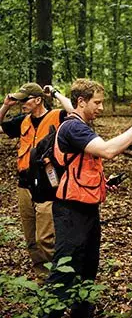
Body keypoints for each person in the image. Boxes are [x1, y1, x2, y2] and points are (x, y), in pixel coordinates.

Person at [35, 78, 132, 318]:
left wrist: (102, 183)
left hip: (88, 208)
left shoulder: (77, 120)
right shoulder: (74, 128)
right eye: (97, 102)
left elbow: (86, 161)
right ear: (82, 102)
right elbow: (108, 151)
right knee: (65, 269)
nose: (101, 107)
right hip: (70, 211)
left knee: (88, 267)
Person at [0, 83, 73, 281]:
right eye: (20, 100)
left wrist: (56, 93)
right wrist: (6, 105)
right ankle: (43, 279)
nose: (21, 103)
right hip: (24, 184)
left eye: (25, 99)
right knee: (31, 238)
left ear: (38, 100)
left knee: (45, 238)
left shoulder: (57, 117)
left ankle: (59, 279)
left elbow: (74, 112)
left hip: (48, 185)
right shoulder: (22, 121)